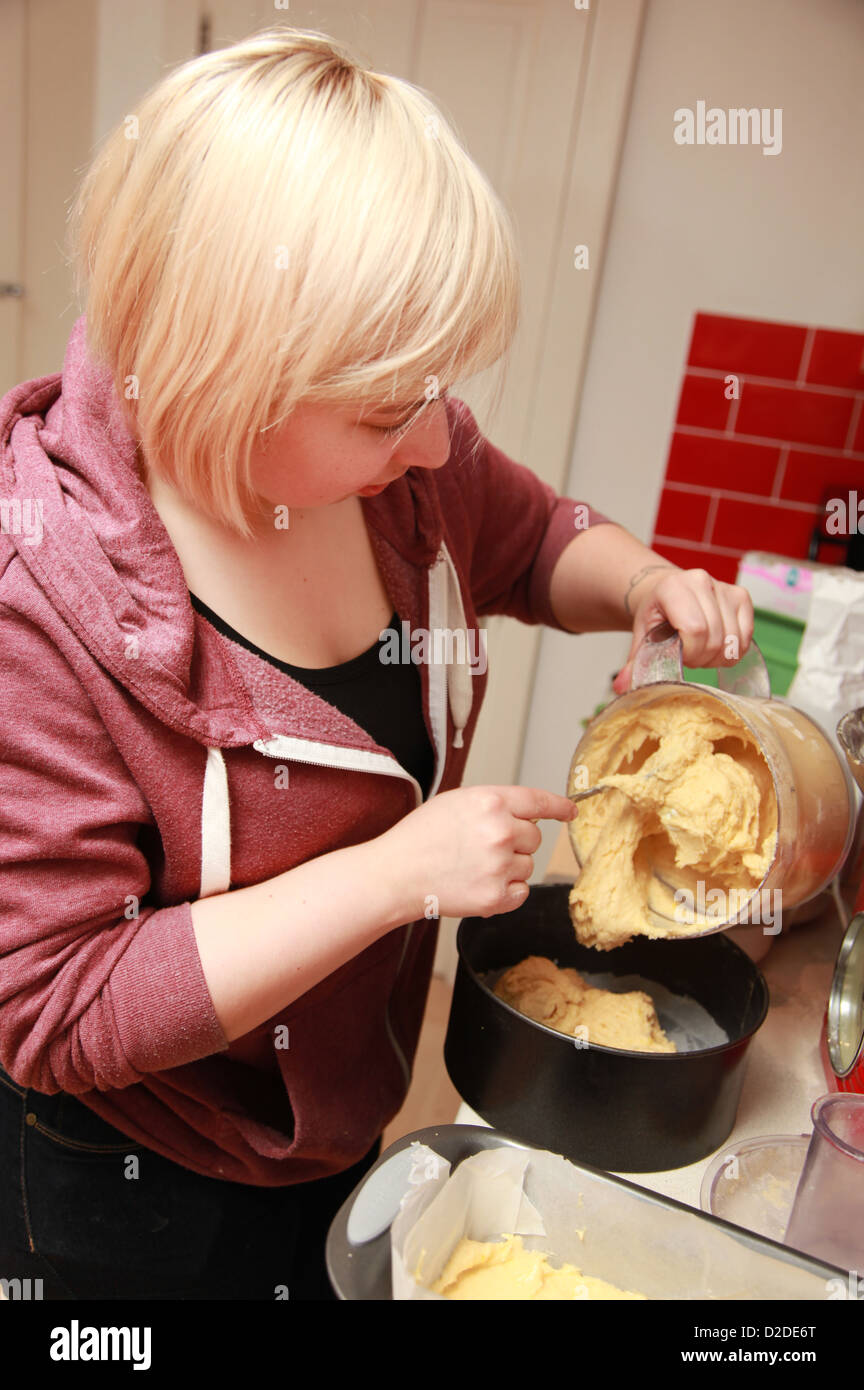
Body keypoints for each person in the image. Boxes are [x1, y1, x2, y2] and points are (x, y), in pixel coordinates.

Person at [0, 26, 753, 1301]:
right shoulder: (40, 610)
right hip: (137, 1185)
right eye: (380, 411)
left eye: (434, 394)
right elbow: (58, 1006)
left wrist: (637, 579)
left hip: (339, 1128)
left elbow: (531, 538)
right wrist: (397, 875)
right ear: (222, 371)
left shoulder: (408, 464)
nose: (431, 442)